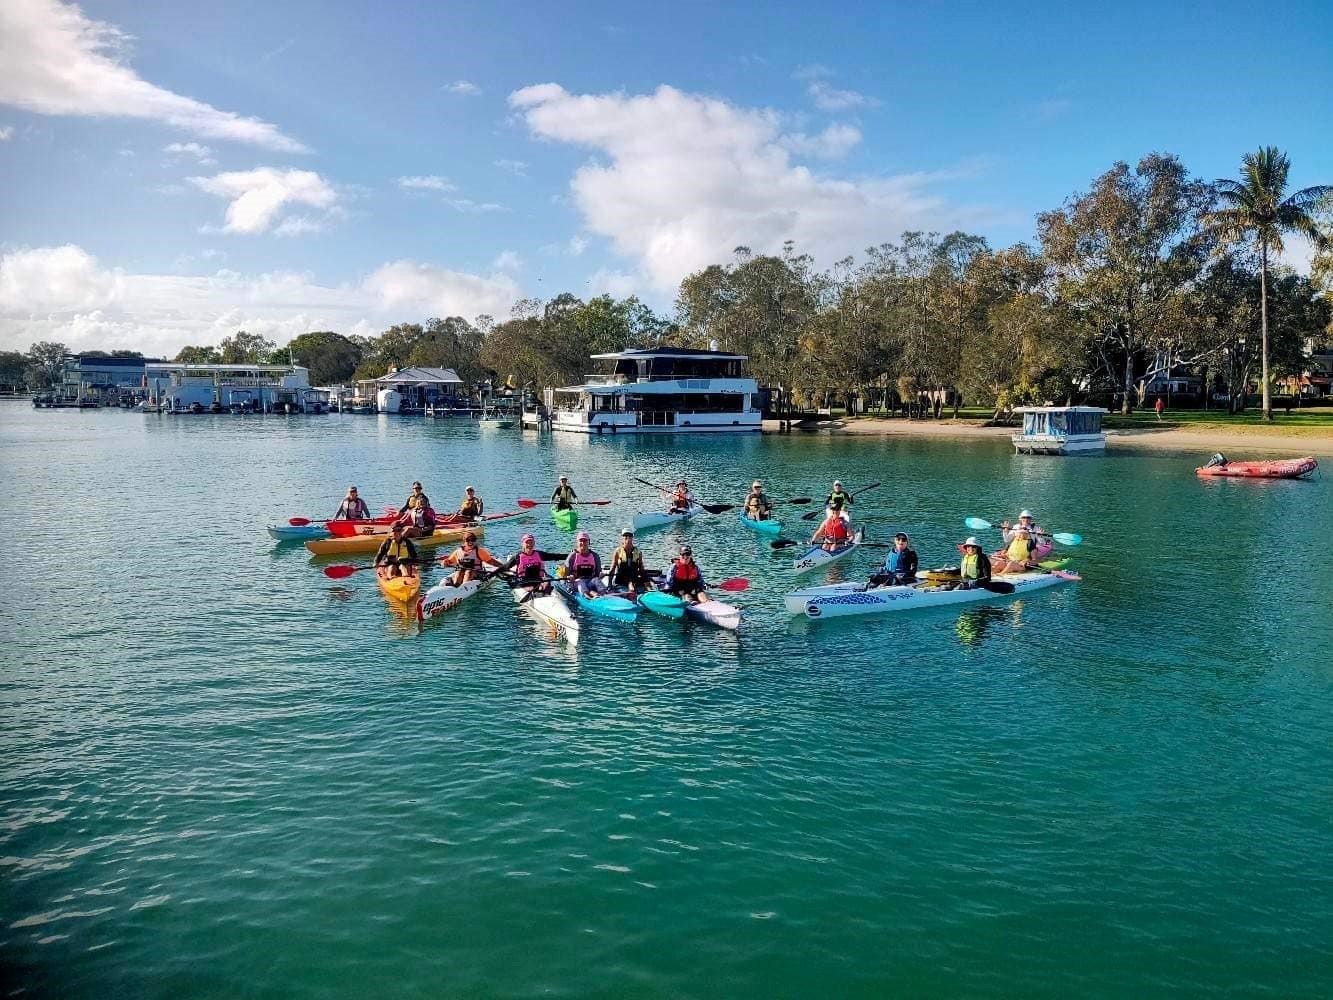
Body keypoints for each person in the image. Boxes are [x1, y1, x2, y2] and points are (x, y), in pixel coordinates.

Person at [608, 528, 651, 594]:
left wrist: (646, 581)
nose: (628, 538)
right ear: (622, 538)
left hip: (633, 578)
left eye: (630, 536)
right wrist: (609, 584)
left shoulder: (638, 552)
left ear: (632, 538)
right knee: (631, 588)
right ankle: (631, 591)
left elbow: (641, 569)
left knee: (646, 583)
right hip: (621, 579)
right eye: (625, 536)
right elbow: (612, 568)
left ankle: (650, 592)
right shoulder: (617, 551)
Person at [562, 531, 604, 597]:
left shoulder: (595, 556)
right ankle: (587, 597)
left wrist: (600, 575)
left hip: (590, 582)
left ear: (589, 542)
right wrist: (569, 577)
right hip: (576, 583)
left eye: (585, 541)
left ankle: (604, 595)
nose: (582, 543)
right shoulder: (572, 557)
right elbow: (565, 576)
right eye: (580, 541)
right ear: (577, 543)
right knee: (580, 582)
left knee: (596, 580)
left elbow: (597, 574)